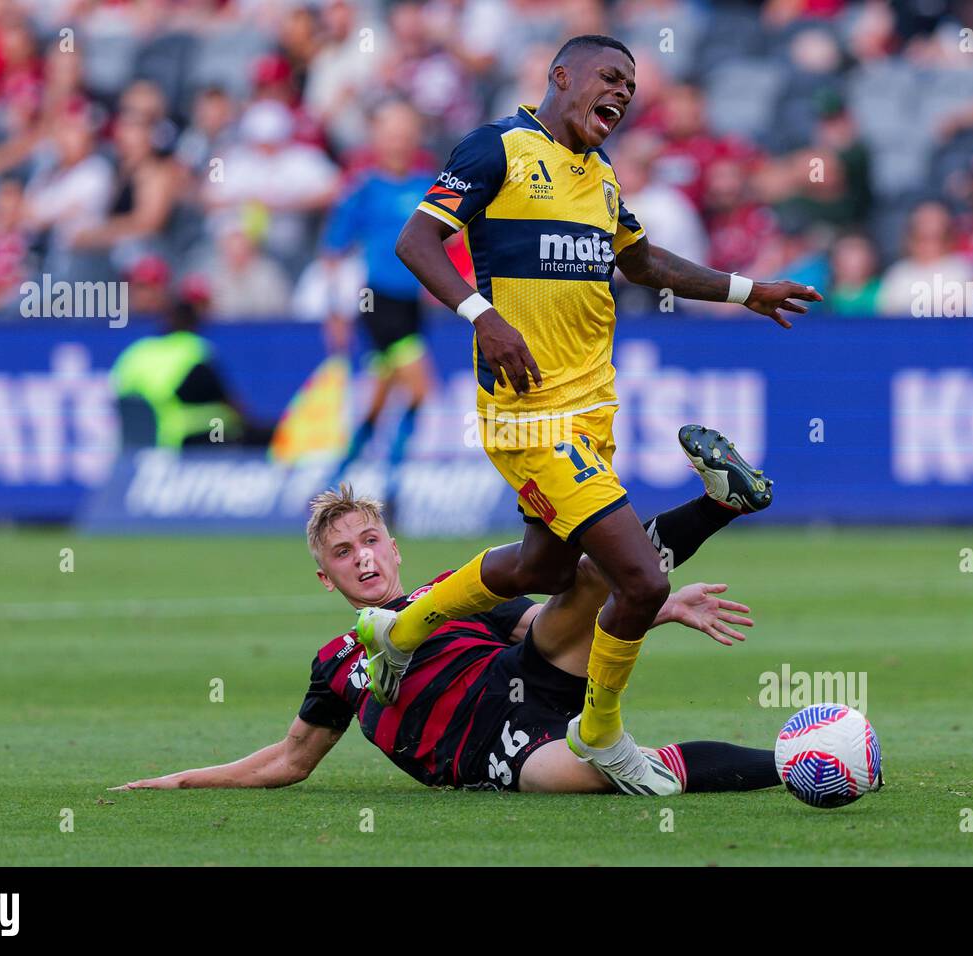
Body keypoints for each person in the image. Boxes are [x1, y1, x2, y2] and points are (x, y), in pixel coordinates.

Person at [372, 34, 820, 794]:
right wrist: (482, 314)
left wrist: (750, 291)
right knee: (639, 583)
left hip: (591, 414)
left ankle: (402, 627)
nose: (621, 94)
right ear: (561, 76)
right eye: (610, 77)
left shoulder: (601, 175)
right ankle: (601, 731)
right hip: (530, 414)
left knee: (542, 569)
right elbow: (418, 240)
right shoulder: (497, 149)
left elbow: (643, 263)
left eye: (631, 88)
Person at [110, 425, 781, 796]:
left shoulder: (448, 593)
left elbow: (542, 625)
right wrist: (182, 780)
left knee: (585, 580)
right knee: (590, 778)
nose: (364, 560)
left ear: (393, 549)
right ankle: (787, 764)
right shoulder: (337, 665)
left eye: (371, 542)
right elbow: (289, 761)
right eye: (345, 554)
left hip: (529, 674)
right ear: (326, 577)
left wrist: (653, 607)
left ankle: (721, 502)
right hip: (490, 750)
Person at [322, 100, 437, 504]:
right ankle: (392, 483)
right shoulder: (364, 189)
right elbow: (333, 251)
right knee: (422, 390)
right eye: (391, 136)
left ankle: (333, 479)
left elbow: (450, 240)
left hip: (411, 305)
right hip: (379, 305)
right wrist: (334, 311)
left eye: (406, 136)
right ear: (377, 140)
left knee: (378, 401)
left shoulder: (428, 184)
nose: (399, 144)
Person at [110, 292, 271, 449]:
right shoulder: (193, 348)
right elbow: (227, 400)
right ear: (193, 324)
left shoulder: (138, 352)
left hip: (144, 442)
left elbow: (116, 395)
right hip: (195, 438)